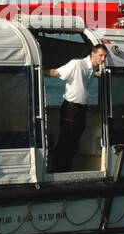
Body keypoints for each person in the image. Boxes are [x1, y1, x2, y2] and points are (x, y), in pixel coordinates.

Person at [46, 43, 108, 171]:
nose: (103, 59)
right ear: (93, 54)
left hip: (81, 110)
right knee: (65, 142)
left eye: (105, 56)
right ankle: (56, 171)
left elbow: (89, 75)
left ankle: (66, 170)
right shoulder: (77, 64)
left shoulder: (92, 69)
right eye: (101, 55)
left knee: (74, 143)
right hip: (70, 109)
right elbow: (56, 72)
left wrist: (97, 74)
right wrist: (38, 71)